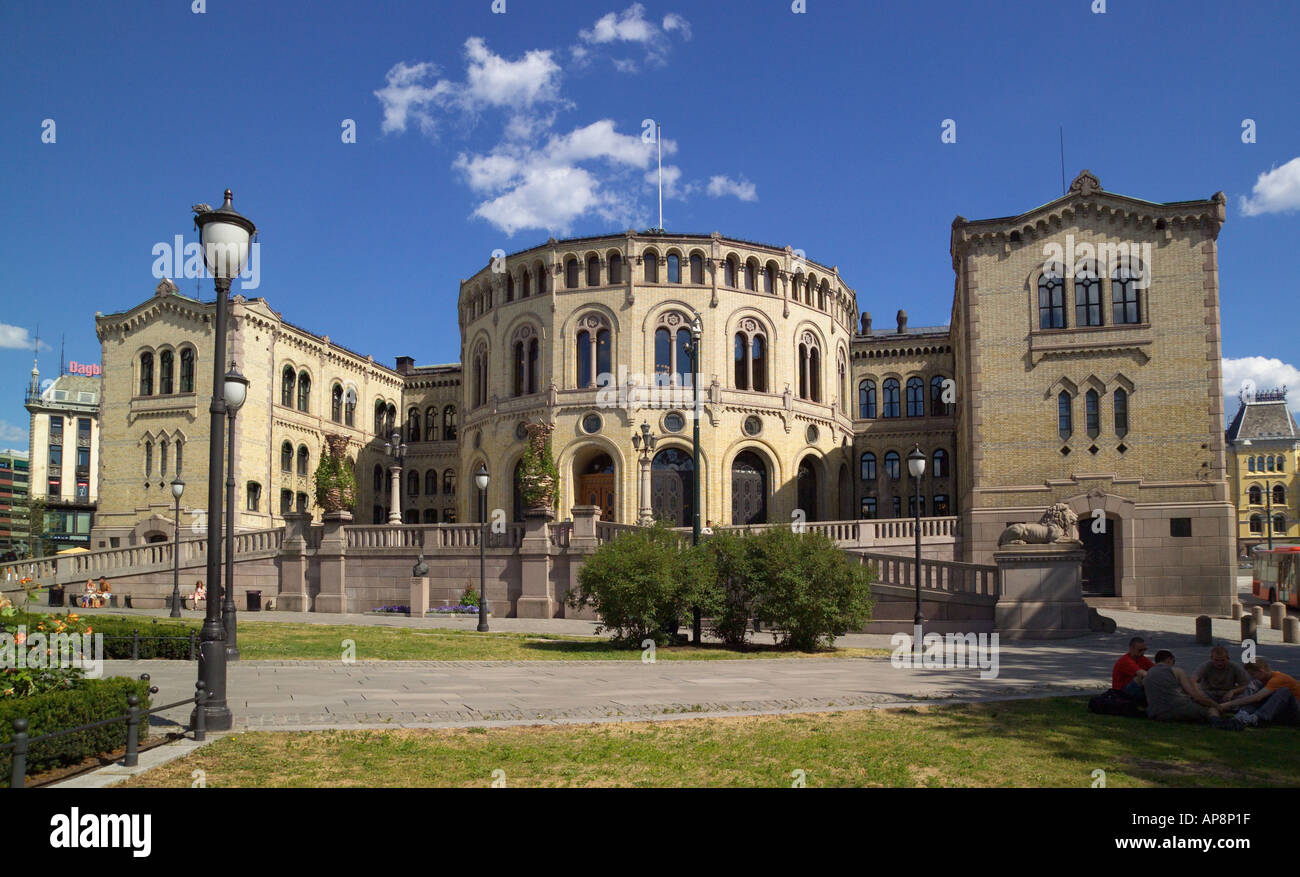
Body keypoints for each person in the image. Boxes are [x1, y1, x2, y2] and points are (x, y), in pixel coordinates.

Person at [1143, 650, 1221, 723]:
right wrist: (1216, 705)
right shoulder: (1176, 671)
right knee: (1211, 709)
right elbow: (1196, 696)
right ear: (1169, 659)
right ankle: (1217, 723)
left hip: (1156, 714)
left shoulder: (1148, 674)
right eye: (1173, 661)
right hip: (1175, 709)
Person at [1220, 660, 1300, 727]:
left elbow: (1257, 697)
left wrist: (1227, 704)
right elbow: (1249, 689)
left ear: (1262, 671)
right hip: (1281, 711)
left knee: (1284, 691)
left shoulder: (1278, 679)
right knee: (1254, 683)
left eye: (1253, 674)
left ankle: (1258, 718)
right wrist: (1233, 691)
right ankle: (1243, 714)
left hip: (1295, 712)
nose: (1252, 677)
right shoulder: (1265, 679)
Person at [1111, 637, 1154, 704]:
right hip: (1120, 693)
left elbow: (1156, 670)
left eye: (1144, 650)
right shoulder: (1125, 660)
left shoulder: (1142, 658)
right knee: (1139, 679)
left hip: (1133, 690)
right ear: (1131, 648)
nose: (1143, 652)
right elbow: (1142, 674)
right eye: (1140, 650)